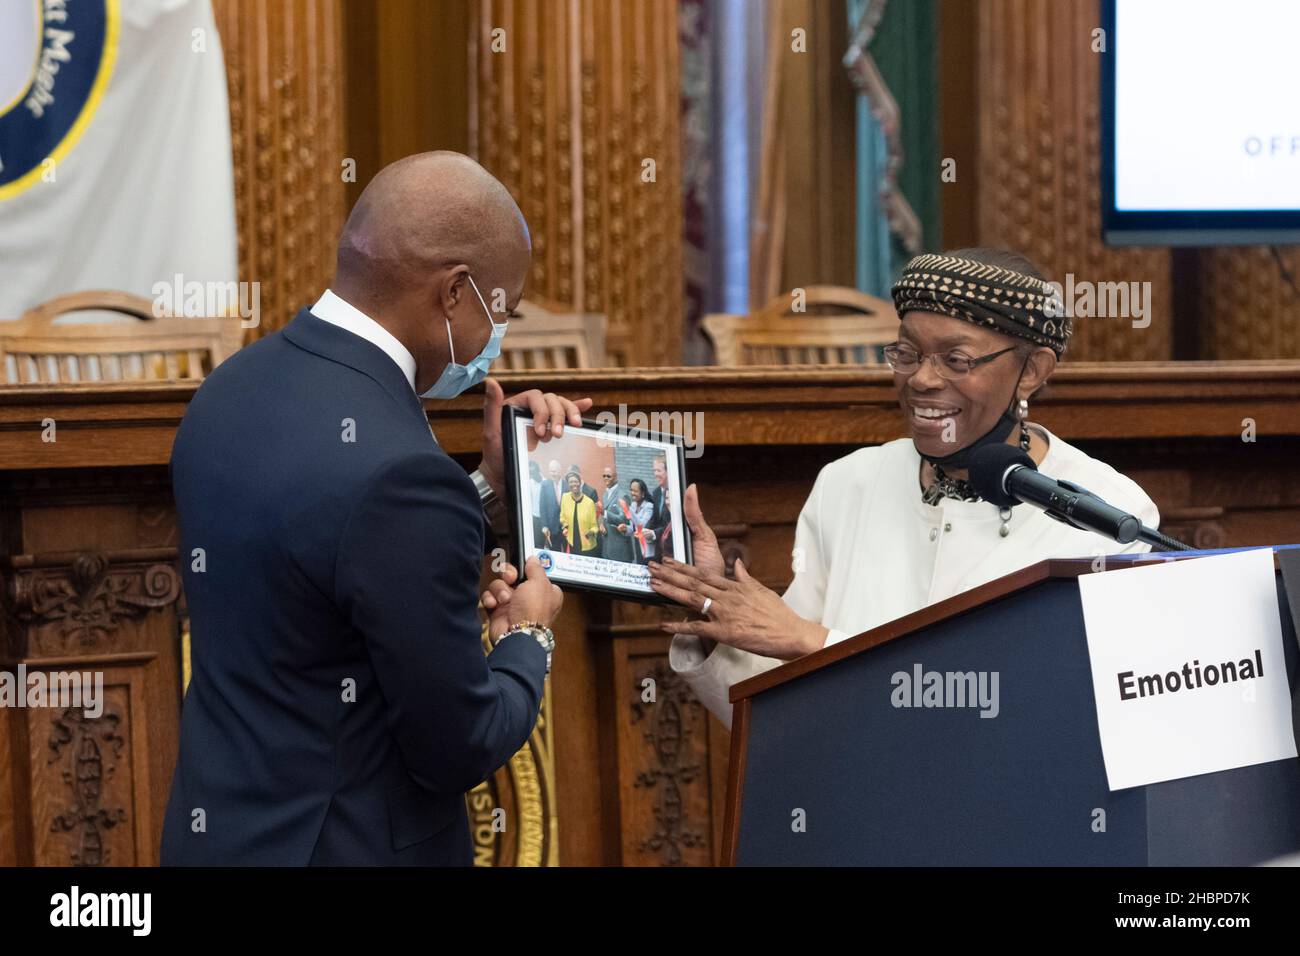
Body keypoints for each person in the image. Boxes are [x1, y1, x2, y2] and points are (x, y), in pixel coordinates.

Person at [162, 151, 591, 865]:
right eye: (501, 311)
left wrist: (483, 487)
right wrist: (529, 635)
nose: (498, 339)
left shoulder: (229, 388)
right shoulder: (401, 475)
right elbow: (460, 745)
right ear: (454, 293)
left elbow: (328, 558)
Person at [650, 248, 1160, 727]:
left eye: (955, 360)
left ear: (1031, 371)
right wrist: (715, 608)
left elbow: (1040, 714)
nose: (921, 379)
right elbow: (785, 715)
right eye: (907, 353)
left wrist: (813, 641)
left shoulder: (1108, 515)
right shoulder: (847, 484)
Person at [598, 465, 634, 563]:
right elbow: (603, 515)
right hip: (607, 548)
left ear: (616, 477)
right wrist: (601, 524)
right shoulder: (605, 494)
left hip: (620, 551)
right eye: (604, 476)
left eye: (608, 476)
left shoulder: (623, 496)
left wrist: (605, 513)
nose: (605, 478)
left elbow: (624, 519)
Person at [559, 471, 600, 555]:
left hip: (587, 545)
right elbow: (562, 517)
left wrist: (591, 532)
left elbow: (595, 526)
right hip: (572, 542)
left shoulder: (589, 503)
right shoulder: (564, 498)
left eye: (576, 481)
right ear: (568, 484)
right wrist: (565, 527)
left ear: (580, 483)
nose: (574, 484)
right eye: (571, 482)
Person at [618, 478, 657, 564]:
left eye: (635, 491)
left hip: (647, 548)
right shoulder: (634, 505)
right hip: (638, 546)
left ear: (643, 493)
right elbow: (633, 529)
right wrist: (625, 529)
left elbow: (641, 525)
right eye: (631, 490)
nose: (632, 493)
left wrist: (628, 510)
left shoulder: (649, 506)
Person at [647, 455, 673, 561]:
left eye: (659, 470)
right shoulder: (656, 492)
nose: (655, 474)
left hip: (671, 549)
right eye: (654, 470)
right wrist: (644, 530)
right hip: (659, 549)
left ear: (668, 471)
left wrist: (654, 533)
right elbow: (655, 518)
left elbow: (673, 523)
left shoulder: (675, 492)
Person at [538, 459, 564, 550]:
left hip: (566, 528)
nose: (552, 474)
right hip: (551, 528)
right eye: (550, 471)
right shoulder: (545, 485)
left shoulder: (567, 485)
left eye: (554, 471)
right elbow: (542, 507)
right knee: (554, 552)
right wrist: (544, 525)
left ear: (560, 471)